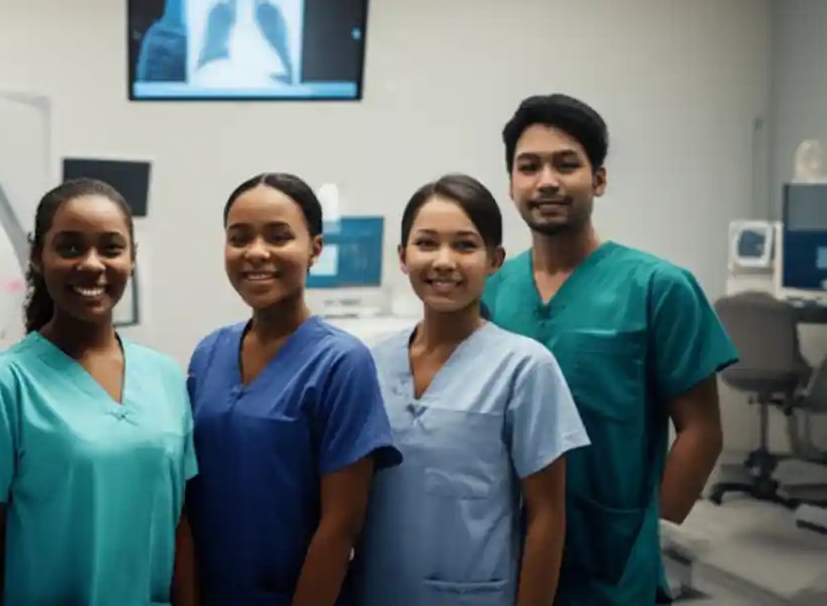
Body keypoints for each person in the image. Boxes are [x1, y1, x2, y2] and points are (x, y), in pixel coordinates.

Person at [482, 94, 735, 605]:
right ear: (511, 183)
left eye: (566, 164)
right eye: (528, 166)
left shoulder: (658, 288)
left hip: (614, 555)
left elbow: (701, 429)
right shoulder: (491, 290)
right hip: (505, 544)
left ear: (598, 179)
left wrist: (653, 531)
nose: (546, 180)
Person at [0, 178, 198, 606]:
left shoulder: (164, 377)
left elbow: (179, 526)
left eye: (110, 248)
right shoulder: (4, 384)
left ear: (132, 259)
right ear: (38, 257)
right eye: (70, 247)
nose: (92, 264)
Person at [346, 174, 590, 606]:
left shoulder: (524, 368)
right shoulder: (369, 364)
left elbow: (547, 517)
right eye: (426, 243)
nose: (444, 261)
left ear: (495, 259)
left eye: (464, 245)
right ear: (403, 257)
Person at [186, 172, 402, 606]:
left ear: (315, 249)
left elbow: (340, 526)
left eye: (279, 237)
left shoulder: (341, 363)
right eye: (239, 238)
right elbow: (187, 503)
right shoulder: (209, 353)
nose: (257, 253)